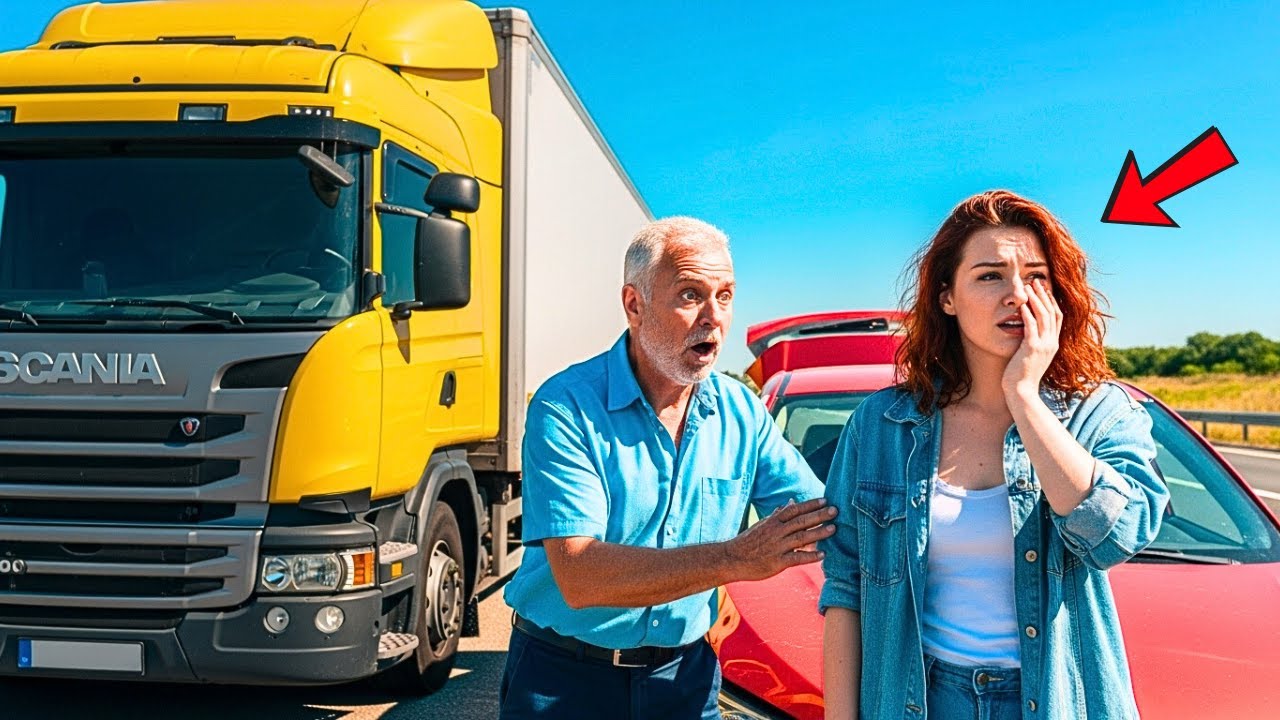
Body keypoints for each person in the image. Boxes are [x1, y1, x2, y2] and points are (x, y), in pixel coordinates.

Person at [820, 190, 1168, 720]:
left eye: (1036, 277)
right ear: (947, 298)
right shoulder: (880, 425)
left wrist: (1024, 396)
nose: (1018, 295)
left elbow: (1115, 539)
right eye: (990, 276)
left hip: (1053, 698)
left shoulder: (1100, 412)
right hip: (920, 697)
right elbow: (845, 586)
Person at [500, 216, 836, 720]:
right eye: (689, 295)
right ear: (634, 305)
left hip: (685, 681)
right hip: (564, 682)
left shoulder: (741, 413)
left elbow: (821, 518)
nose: (714, 318)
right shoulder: (566, 406)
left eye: (724, 296)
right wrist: (735, 559)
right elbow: (580, 574)